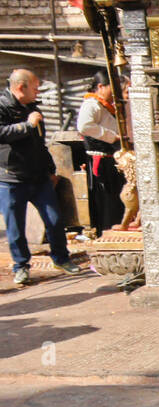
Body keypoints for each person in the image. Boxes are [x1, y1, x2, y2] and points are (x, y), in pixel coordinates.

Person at [0, 68, 81, 286]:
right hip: (10, 179)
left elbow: (40, 143)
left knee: (54, 220)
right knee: (15, 228)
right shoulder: (2, 107)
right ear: (21, 87)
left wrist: (50, 170)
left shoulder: (33, 109)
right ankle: (21, 266)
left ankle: (61, 258)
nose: (38, 93)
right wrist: (27, 126)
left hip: (38, 178)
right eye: (35, 89)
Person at [77, 69, 124, 234]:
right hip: (100, 158)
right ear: (100, 87)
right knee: (106, 200)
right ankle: (106, 231)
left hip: (110, 158)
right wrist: (111, 136)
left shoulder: (103, 105)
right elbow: (84, 126)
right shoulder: (91, 104)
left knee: (115, 198)